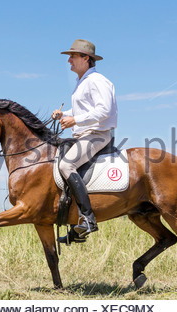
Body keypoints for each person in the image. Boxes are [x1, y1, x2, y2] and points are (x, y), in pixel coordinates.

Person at [52, 39, 118, 241]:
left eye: (73, 56)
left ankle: (88, 220)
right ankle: (76, 225)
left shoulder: (97, 81)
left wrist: (75, 119)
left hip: (97, 135)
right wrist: (64, 115)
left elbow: (104, 110)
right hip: (83, 135)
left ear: (85, 58)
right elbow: (85, 110)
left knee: (66, 165)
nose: (69, 60)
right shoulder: (83, 82)